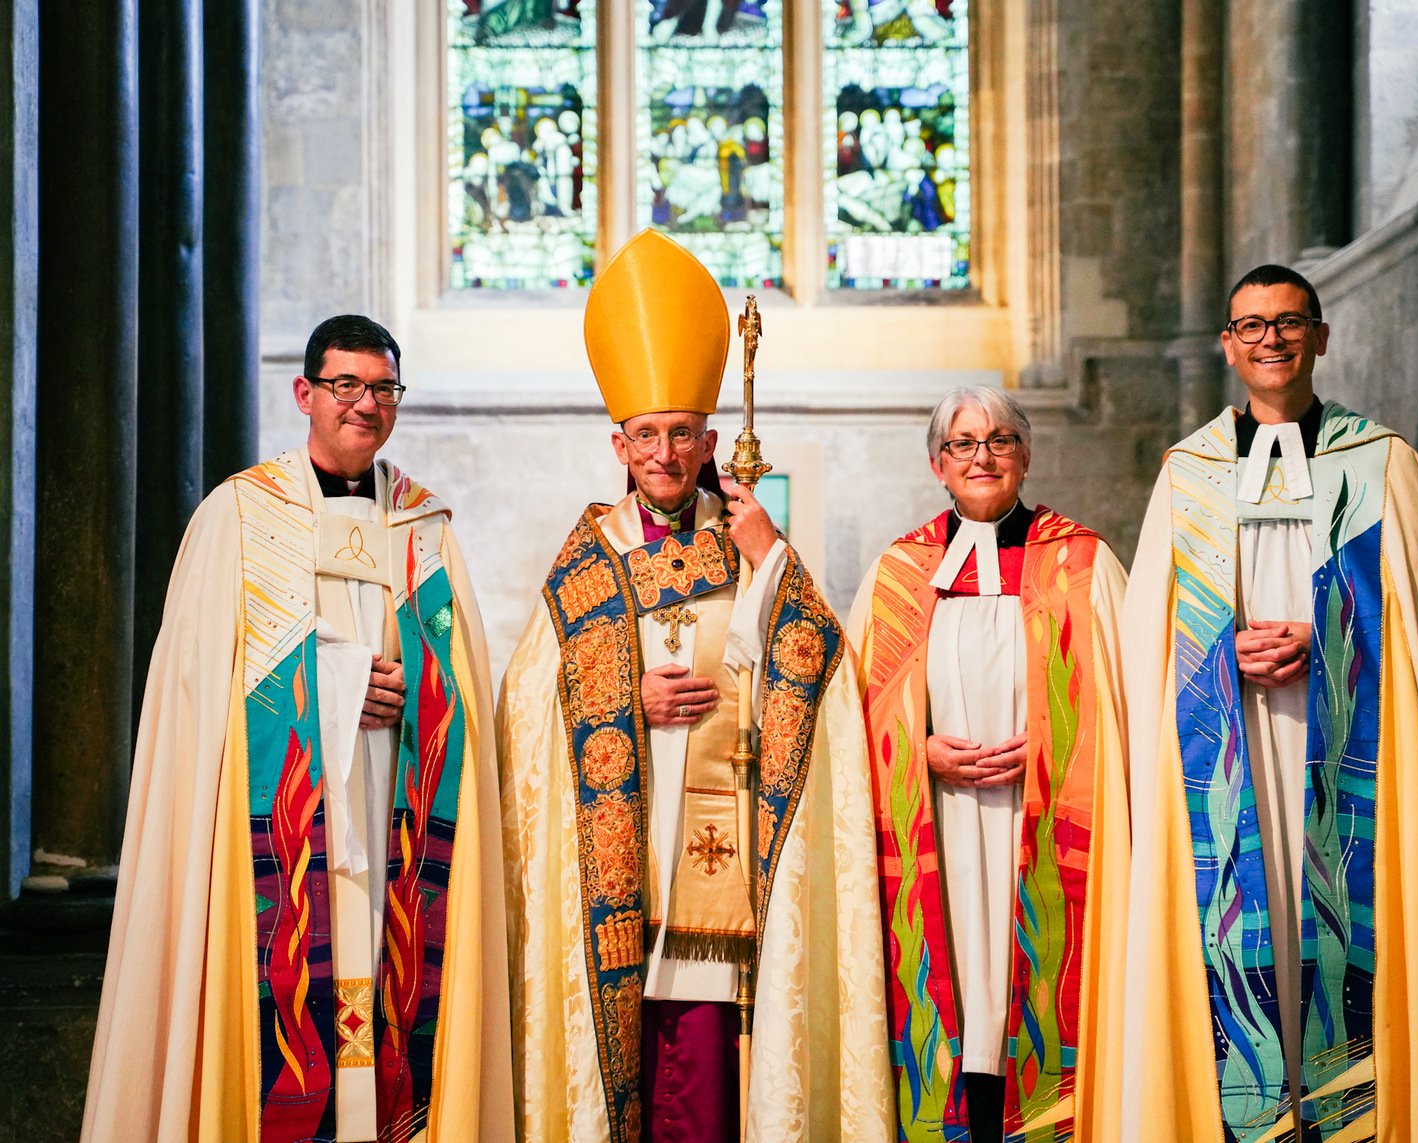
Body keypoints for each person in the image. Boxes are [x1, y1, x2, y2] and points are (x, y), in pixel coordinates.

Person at [1120, 265, 1418, 1142]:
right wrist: (1218, 656)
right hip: (1233, 754)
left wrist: (1330, 652)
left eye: (1289, 323)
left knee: (1353, 942)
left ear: (1321, 336)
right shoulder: (1189, 475)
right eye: (1252, 325)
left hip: (1357, 762)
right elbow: (1141, 646)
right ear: (1228, 346)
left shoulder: (1384, 465)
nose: (1270, 339)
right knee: (1252, 935)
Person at [497, 229, 892, 1143]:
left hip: (723, 864)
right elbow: (526, 708)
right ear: (619, 442)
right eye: (646, 435)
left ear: (710, 439)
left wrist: (770, 559)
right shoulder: (590, 558)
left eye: (681, 434)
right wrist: (621, 705)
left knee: (715, 1072)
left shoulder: (750, 546)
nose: (664, 452)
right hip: (622, 859)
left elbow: (819, 679)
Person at [80, 315, 514, 1143]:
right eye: (345, 385)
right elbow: (195, 688)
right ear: (304, 393)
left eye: (383, 387)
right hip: (278, 851)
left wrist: (421, 694)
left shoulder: (426, 528)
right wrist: (333, 686)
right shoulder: (239, 518)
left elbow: (466, 689)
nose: (365, 404)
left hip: (397, 827)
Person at [847, 386, 1130, 1143]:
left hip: (1043, 831)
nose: (983, 456)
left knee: (1028, 984)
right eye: (964, 443)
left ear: (1027, 455)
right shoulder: (900, 573)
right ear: (938, 464)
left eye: (1000, 440)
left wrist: (1052, 752)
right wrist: (919, 746)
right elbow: (855, 710)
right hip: (937, 824)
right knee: (957, 992)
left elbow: (1129, 700)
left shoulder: (1083, 562)